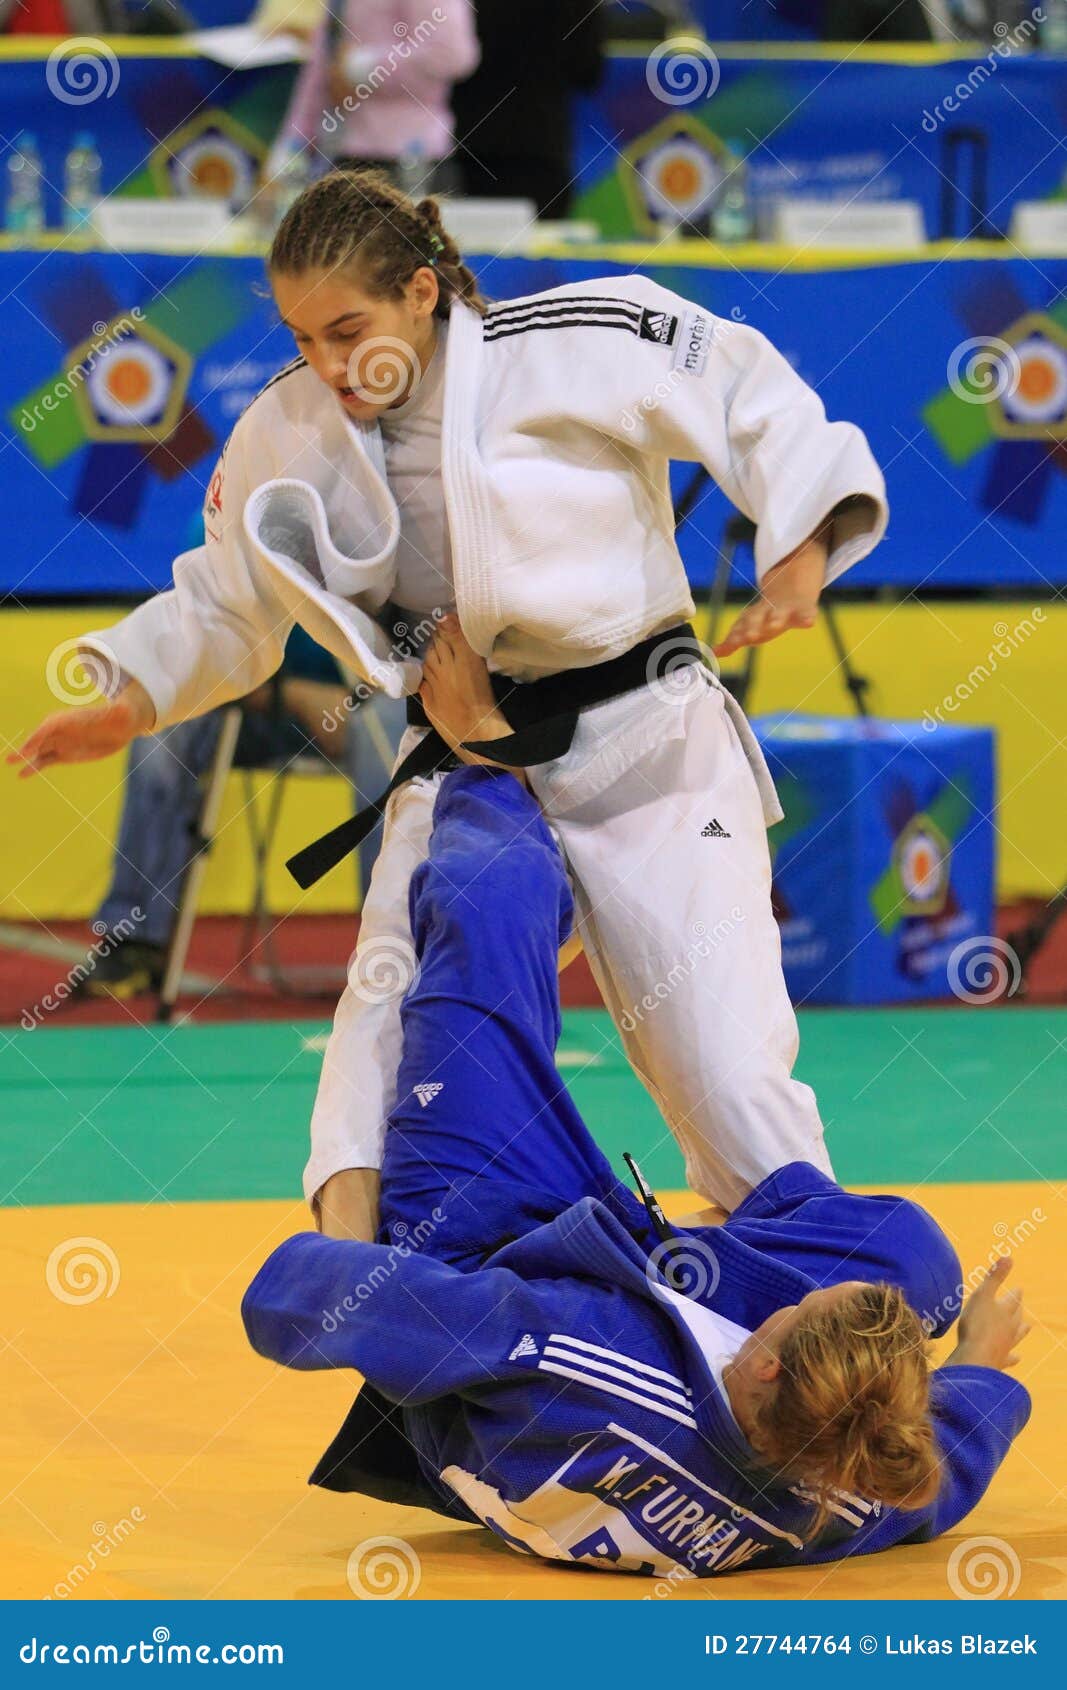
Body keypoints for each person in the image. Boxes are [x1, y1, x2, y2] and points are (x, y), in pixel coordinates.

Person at [11, 168, 887, 1251]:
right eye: (302, 338)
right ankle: (359, 1299)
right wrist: (129, 696)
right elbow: (224, 601)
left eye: (349, 331)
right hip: (464, 760)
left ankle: (819, 1297)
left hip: (648, 742)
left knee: (723, 1069)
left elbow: (754, 401)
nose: (329, 364)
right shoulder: (287, 430)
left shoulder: (577, 338)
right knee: (378, 1045)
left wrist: (798, 555)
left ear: (421, 292)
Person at [242, 669, 1031, 1578]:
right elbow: (944, 1465)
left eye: (798, 1311)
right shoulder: (845, 1487)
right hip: (642, 1288)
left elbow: (283, 1297)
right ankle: (706, 1247)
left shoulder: (572, 1354)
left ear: (764, 1361)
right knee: (915, 1262)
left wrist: (357, 1227)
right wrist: (979, 1360)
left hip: (487, 1246)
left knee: (488, 901)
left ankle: (483, 748)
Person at [74, 627, 406, 1000]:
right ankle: (134, 941)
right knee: (164, 732)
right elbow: (203, 655)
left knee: (387, 728)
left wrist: (366, 696)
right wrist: (295, 696)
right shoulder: (257, 586)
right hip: (260, 707)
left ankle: (389, 947)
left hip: (375, 705)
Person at [268, 0, 479, 187]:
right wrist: (294, 142)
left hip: (406, 163)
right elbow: (321, 66)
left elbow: (452, 53)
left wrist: (363, 66)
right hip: (342, 159)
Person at [452, 1, 607, 216]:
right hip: (541, 149)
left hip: (473, 146)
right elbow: (588, 72)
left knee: (468, 234)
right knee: (543, 235)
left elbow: (447, 60)